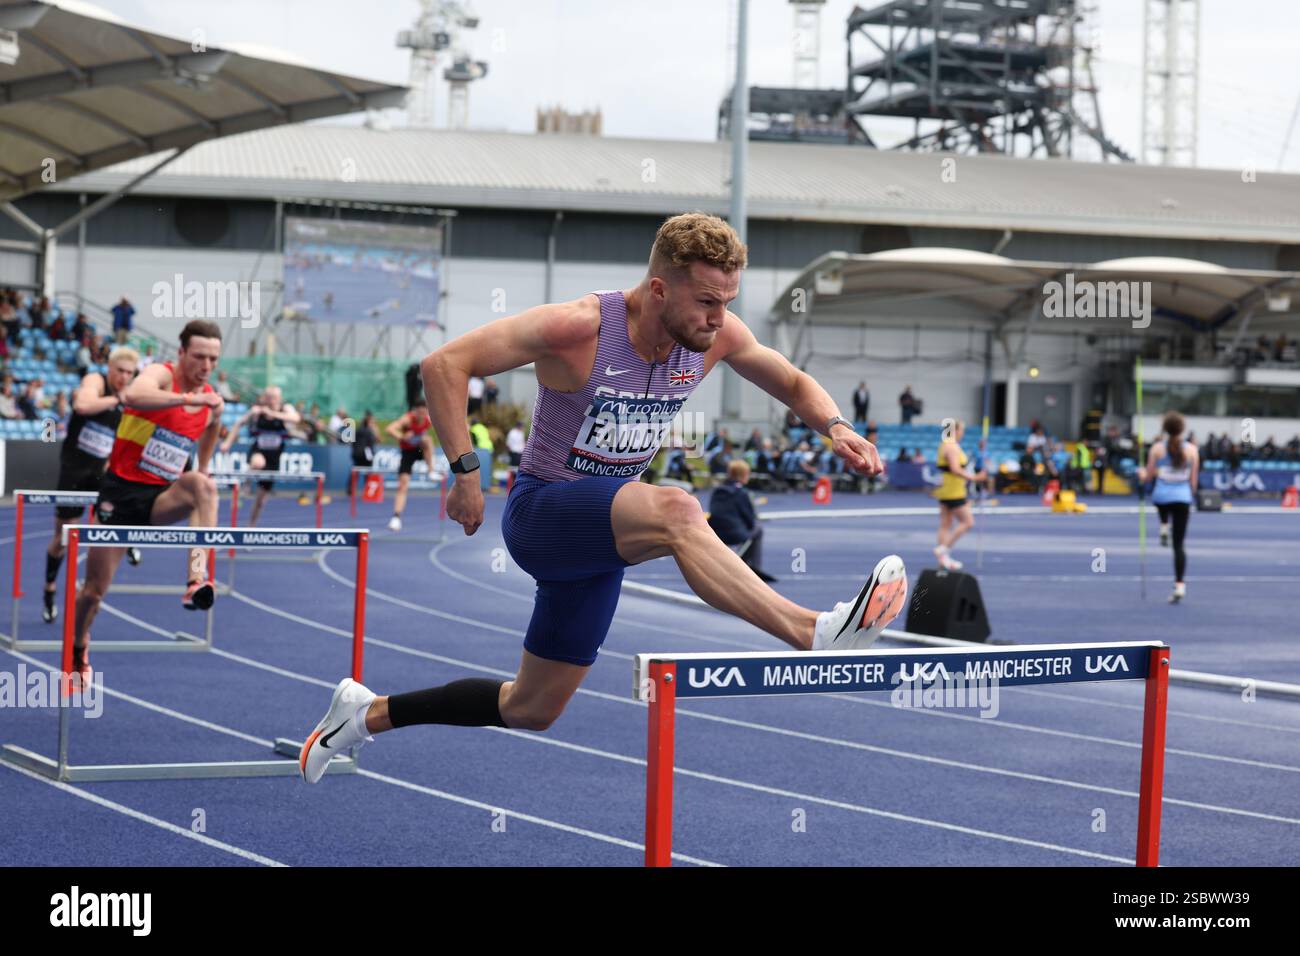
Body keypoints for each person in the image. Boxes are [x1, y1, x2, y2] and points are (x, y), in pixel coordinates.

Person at [298, 212, 907, 783]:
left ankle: (363, 713)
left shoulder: (716, 335)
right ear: (660, 290)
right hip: (543, 512)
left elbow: (793, 381)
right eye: (707, 302)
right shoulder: (578, 327)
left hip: (605, 535)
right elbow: (444, 365)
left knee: (531, 707)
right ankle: (813, 633)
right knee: (676, 509)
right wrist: (465, 473)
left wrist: (838, 427)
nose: (719, 319)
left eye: (728, 302)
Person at [71, 320, 225, 682]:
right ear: (181, 353)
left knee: (202, 486)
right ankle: (77, 644)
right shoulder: (161, 375)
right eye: (199, 356)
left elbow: (214, 424)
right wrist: (191, 398)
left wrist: (203, 466)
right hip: (120, 496)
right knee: (93, 593)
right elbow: (134, 396)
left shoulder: (211, 400)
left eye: (214, 359)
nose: (206, 366)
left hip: (161, 498)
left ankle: (196, 580)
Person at [42, 348, 142, 623]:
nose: (124, 377)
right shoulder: (95, 381)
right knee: (62, 538)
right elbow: (83, 406)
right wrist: (116, 399)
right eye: (119, 371)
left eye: (129, 373)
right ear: (109, 369)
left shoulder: (131, 396)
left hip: (101, 474)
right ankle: (50, 589)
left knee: (111, 520)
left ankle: (124, 539)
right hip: (73, 470)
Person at [220, 386, 301, 527]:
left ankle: (251, 526)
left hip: (274, 457)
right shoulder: (257, 411)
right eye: (269, 397)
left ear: (279, 399)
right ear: (264, 398)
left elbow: (296, 418)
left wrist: (273, 414)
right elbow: (239, 423)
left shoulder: (285, 409)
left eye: (274, 398)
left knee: (260, 501)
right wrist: (227, 442)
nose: (271, 401)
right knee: (258, 463)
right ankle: (244, 487)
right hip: (258, 450)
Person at [1139, 411, 1198, 604]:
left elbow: (1148, 477)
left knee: (1160, 499)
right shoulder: (1192, 450)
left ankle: (1164, 524)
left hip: (1162, 497)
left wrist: (1142, 475)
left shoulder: (1157, 449)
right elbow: (1194, 482)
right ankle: (1180, 584)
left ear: (1165, 429)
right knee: (1179, 545)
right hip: (1182, 498)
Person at [708, 459, 776, 582]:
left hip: (715, 532)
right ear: (744, 475)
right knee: (757, 529)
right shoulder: (742, 493)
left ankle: (739, 564)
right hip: (735, 535)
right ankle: (752, 567)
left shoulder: (718, 491)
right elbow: (749, 518)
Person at [933, 419, 984, 570]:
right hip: (954, 490)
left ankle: (943, 559)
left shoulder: (945, 445)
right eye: (962, 430)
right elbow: (955, 469)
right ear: (955, 431)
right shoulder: (952, 447)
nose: (963, 433)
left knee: (946, 524)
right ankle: (943, 550)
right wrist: (976, 477)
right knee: (968, 522)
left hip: (946, 489)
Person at [383, 403, 434, 532]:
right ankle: (396, 517)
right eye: (419, 413)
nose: (421, 416)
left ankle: (431, 471)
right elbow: (389, 429)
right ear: (415, 412)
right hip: (407, 453)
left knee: (427, 440)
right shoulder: (407, 419)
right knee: (403, 484)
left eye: (424, 413)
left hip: (420, 451)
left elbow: (445, 427)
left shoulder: (429, 419)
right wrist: (402, 436)